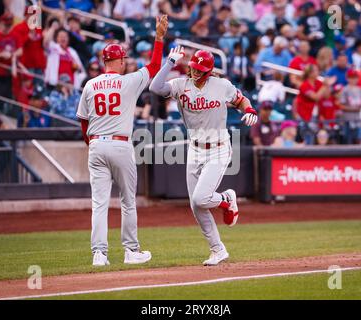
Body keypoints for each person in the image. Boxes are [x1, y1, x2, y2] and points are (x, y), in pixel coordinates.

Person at [150, 47, 258, 266]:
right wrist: (170, 61)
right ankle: (217, 250)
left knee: (201, 198)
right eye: (193, 68)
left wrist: (249, 111)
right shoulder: (181, 84)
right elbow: (155, 87)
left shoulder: (222, 85)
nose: (195, 72)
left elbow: (241, 100)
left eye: (200, 70)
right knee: (196, 205)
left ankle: (226, 199)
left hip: (218, 147)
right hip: (195, 148)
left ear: (208, 71)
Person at [76, 15, 168, 267]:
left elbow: (83, 122)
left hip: (96, 145)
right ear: (116, 60)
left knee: (99, 204)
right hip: (119, 144)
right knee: (128, 201)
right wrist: (159, 38)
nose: (125, 61)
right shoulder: (129, 81)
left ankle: (99, 254)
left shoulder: (90, 85)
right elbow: (154, 65)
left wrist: (92, 144)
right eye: (123, 58)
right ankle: (131, 250)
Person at [339, 69, 361, 144]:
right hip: (347, 119)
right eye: (351, 77)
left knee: (358, 140)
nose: (353, 79)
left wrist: (357, 109)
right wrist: (353, 109)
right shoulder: (345, 90)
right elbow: (341, 106)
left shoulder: (360, 90)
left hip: (357, 119)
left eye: (355, 77)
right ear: (347, 78)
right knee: (347, 141)